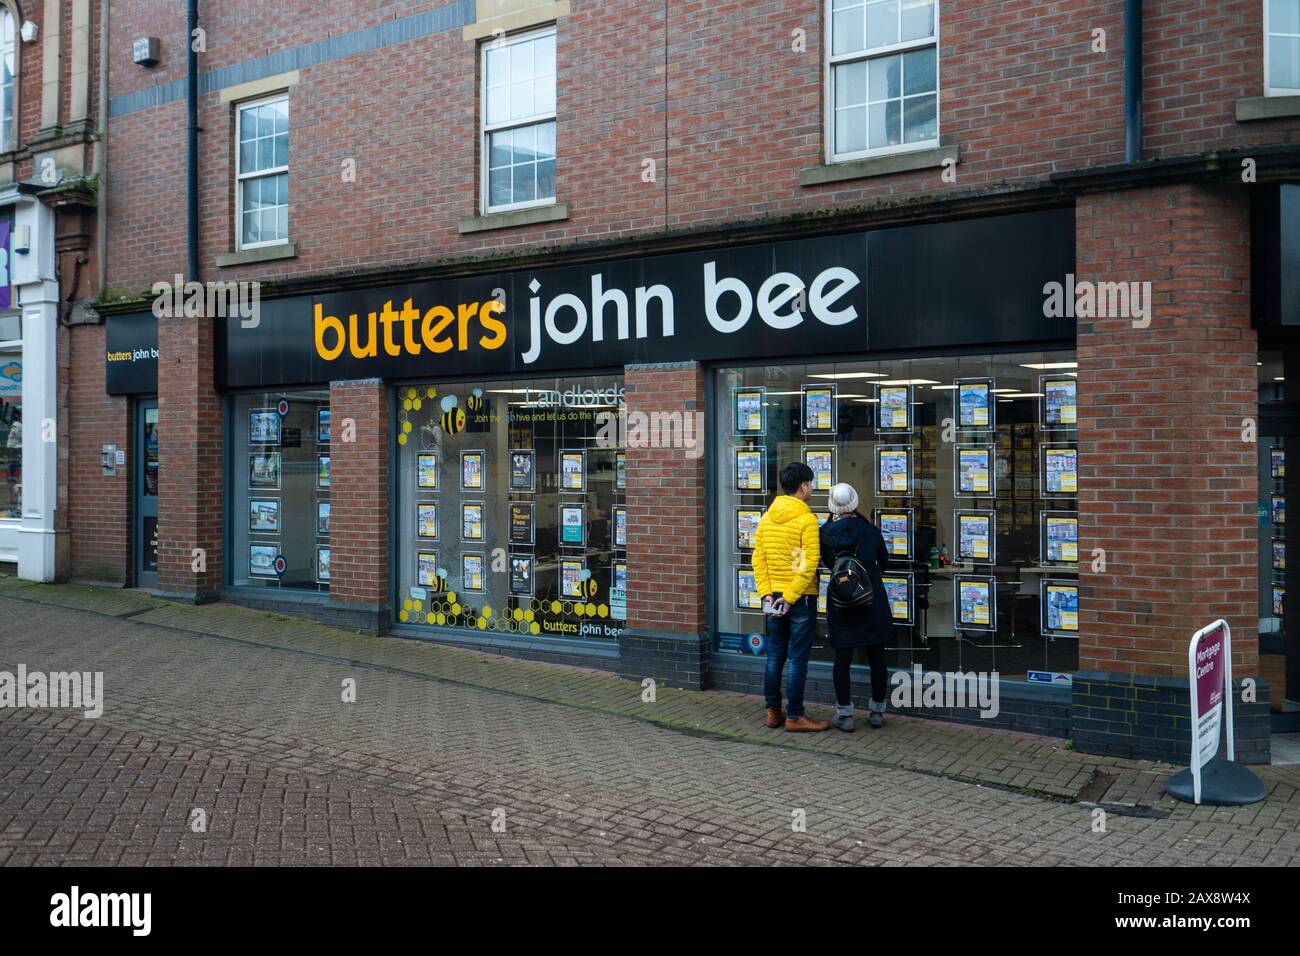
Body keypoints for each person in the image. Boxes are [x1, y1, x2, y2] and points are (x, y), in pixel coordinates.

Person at [752, 462, 829, 732]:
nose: (812, 488)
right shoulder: (807, 519)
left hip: (773, 599)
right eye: (811, 484)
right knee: (797, 659)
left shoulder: (767, 518)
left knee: (774, 657)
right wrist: (792, 596)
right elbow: (809, 564)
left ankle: (773, 712)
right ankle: (795, 715)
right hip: (799, 599)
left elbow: (758, 560)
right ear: (804, 486)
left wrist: (767, 595)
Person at [820, 482, 893, 730]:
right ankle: (876, 712)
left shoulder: (826, 533)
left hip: (842, 603)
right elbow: (885, 561)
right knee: (877, 656)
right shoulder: (870, 530)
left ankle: (845, 715)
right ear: (855, 502)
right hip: (872, 600)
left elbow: (830, 566)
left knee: (842, 658)